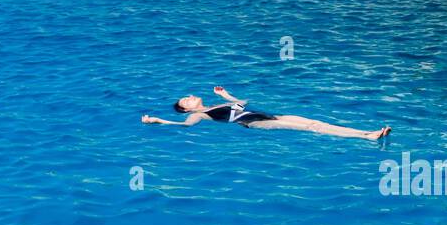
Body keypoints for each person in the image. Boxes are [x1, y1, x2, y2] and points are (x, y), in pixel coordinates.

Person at [142, 87, 391, 141]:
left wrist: (226, 96)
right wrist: (157, 121)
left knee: (315, 122)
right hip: (253, 123)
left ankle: (366, 132)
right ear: (187, 107)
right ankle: (367, 136)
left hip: (266, 114)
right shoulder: (200, 115)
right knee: (311, 128)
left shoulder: (211, 106)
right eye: (186, 99)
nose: (191, 96)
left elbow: (242, 102)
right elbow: (185, 126)